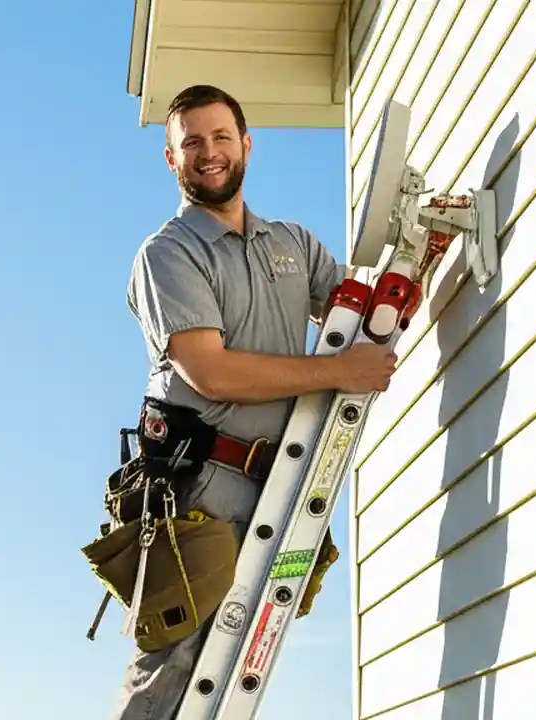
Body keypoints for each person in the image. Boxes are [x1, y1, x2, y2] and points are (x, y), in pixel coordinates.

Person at [111, 84, 397, 720]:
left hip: (280, 486)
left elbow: (363, 313)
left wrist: (420, 253)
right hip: (199, 493)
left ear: (245, 144)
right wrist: (337, 371)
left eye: (220, 137)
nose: (208, 153)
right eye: (191, 143)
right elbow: (212, 373)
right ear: (171, 159)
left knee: (244, 664)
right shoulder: (168, 255)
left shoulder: (290, 244)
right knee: (175, 668)